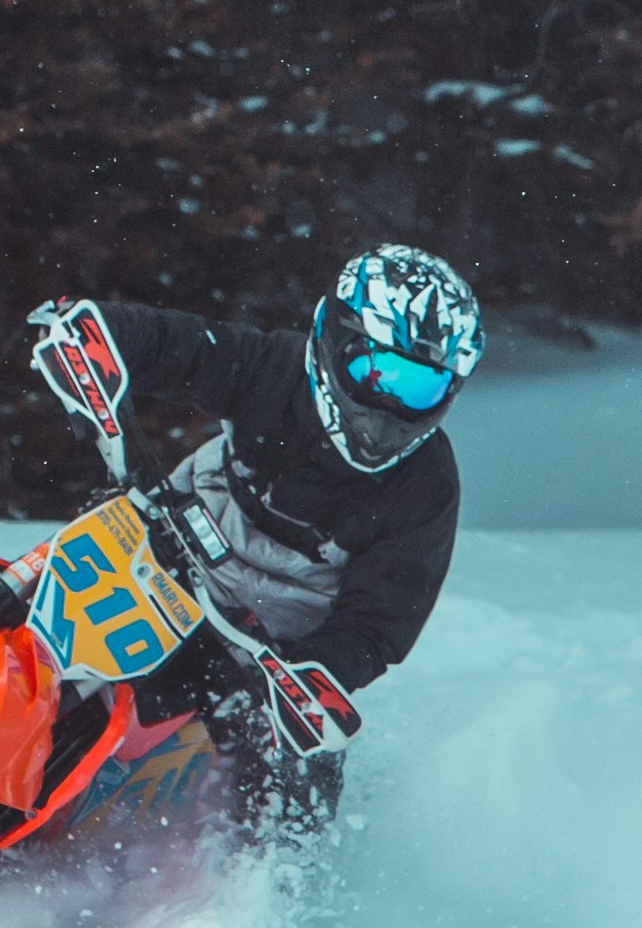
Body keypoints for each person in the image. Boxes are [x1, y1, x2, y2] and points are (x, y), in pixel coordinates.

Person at [30, 244, 482, 831]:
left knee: (303, 773)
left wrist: (307, 675)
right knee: (25, 596)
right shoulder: (274, 366)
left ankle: (244, 905)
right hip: (162, 543)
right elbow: (182, 347)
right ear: (332, 338)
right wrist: (96, 333)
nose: (387, 402)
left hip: (262, 650)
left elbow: (379, 624)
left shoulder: (427, 485)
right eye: (377, 370)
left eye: (417, 386)